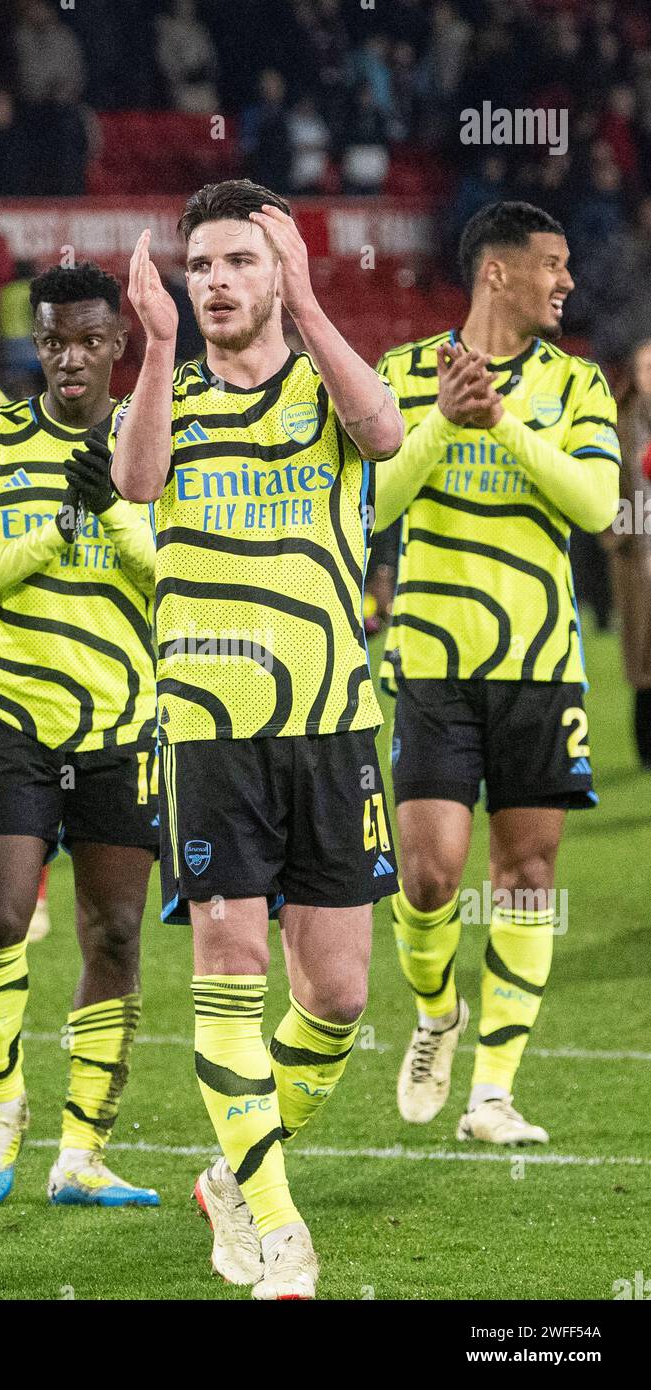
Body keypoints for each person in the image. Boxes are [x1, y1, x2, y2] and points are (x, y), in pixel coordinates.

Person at [111, 178, 404, 1300]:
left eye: (238, 261)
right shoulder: (171, 394)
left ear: (277, 272)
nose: (216, 283)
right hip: (209, 734)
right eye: (201, 266)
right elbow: (134, 483)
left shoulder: (327, 388)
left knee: (334, 995)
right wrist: (154, 349)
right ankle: (278, 1231)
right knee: (228, 965)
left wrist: (319, 308)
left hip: (333, 723)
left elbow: (383, 431)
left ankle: (233, 1171)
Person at [375, 201, 620, 1145]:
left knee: (525, 873)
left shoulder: (574, 383)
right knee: (431, 877)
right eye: (551, 264)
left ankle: (492, 1094)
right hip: (432, 665)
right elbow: (372, 502)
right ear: (496, 273)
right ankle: (437, 1015)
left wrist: (504, 421)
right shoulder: (403, 374)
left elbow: (596, 504)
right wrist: (443, 420)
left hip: (539, 667)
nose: (565, 281)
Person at [0, 263, 160, 1209]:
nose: (67, 358)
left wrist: (110, 510)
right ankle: (0, 1103)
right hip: (17, 721)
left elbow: (177, 579)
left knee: (113, 938)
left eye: (87, 340)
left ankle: (82, 1154)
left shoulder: (157, 448)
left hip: (124, 726)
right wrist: (50, 539)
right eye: (51, 340)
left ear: (118, 345)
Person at [605, 339, 651, 769]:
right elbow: (605, 490)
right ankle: (646, 746)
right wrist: (618, 533)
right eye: (647, 368)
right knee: (641, 656)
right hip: (639, 553)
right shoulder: (620, 426)